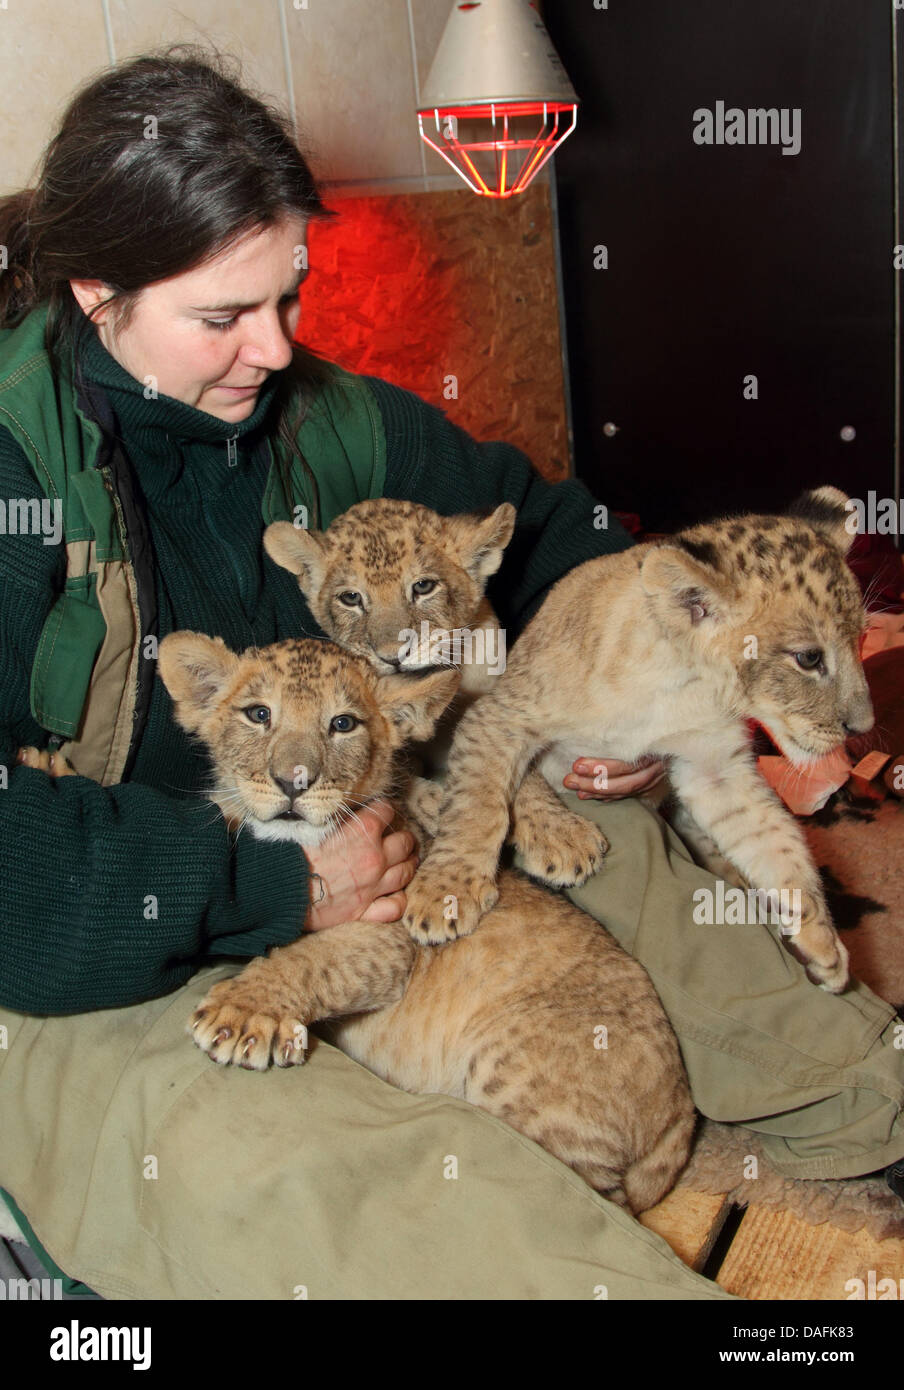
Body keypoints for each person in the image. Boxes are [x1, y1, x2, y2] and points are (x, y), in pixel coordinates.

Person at [0, 45, 899, 1303]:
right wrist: (261, 882)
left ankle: (871, 1097)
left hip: (373, 801)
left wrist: (614, 688)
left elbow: (549, 534)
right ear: (98, 294)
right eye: (223, 317)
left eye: (289, 299)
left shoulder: (320, 413)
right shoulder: (14, 477)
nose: (272, 350)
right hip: (104, 923)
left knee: (611, 833)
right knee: (291, 1166)